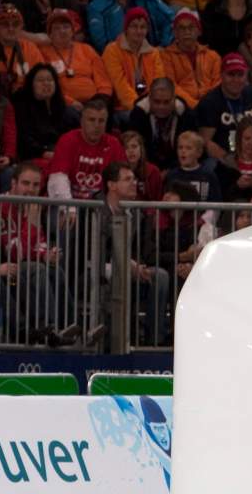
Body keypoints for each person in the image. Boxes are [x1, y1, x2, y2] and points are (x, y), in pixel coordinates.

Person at [0, 162, 80, 346]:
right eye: (25, 183)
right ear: (13, 184)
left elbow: (39, 245)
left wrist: (48, 255)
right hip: (6, 271)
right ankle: (46, 328)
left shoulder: (34, 206)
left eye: (36, 185)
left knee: (56, 271)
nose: (30, 190)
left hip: (23, 268)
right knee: (36, 269)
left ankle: (70, 329)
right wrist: (30, 223)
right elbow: (14, 252)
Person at [101, 159, 170, 346]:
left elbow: (146, 249)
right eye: (127, 179)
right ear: (112, 185)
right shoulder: (96, 211)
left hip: (131, 267)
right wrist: (127, 264)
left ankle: (153, 341)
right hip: (101, 267)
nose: (134, 183)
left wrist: (138, 266)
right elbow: (96, 249)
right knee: (120, 275)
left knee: (161, 276)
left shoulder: (138, 214)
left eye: (134, 179)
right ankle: (118, 342)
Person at [46, 96, 127, 200]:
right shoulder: (67, 140)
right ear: (82, 121)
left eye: (101, 121)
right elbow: (58, 179)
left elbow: (122, 181)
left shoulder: (113, 144)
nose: (96, 125)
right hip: (69, 203)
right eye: (91, 120)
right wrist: (70, 211)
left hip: (101, 207)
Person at [197, 52, 252, 162]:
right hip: (224, 159)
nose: (236, 80)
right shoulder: (209, 103)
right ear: (221, 75)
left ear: (246, 75)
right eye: (231, 74)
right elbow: (205, 142)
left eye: (240, 75)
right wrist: (230, 163)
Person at [40, 8, 113, 111]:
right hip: (63, 105)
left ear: (72, 31)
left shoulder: (87, 49)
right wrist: (70, 102)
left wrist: (100, 101)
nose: (62, 31)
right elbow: (46, 87)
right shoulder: (43, 53)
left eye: (66, 27)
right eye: (57, 28)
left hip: (94, 103)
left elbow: (103, 82)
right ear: (49, 34)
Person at [0, 5, 46, 95]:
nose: (11, 29)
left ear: (21, 27)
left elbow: (41, 77)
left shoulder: (30, 48)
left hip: (23, 97)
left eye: (15, 24)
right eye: (5, 24)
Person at [103, 7, 167, 113]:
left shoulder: (154, 53)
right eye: (134, 26)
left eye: (143, 27)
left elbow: (158, 84)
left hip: (152, 107)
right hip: (122, 108)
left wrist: (154, 106)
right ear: (126, 28)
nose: (138, 31)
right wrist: (142, 109)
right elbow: (121, 88)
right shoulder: (112, 50)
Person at [127, 76, 198, 170]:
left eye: (167, 102)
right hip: (146, 167)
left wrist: (169, 171)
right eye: (157, 102)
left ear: (174, 98)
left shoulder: (185, 115)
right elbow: (138, 149)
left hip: (177, 167)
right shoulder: (138, 114)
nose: (161, 107)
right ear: (149, 99)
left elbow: (189, 149)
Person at [161, 9, 221, 108]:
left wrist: (209, 104)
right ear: (175, 33)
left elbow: (217, 84)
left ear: (199, 31)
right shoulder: (166, 56)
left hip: (211, 105)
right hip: (183, 106)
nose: (187, 32)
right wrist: (195, 105)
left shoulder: (213, 56)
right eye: (181, 28)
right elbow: (171, 86)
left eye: (191, 27)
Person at [12, 63, 67, 161]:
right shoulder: (22, 104)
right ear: (31, 84)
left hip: (59, 153)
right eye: (40, 80)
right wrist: (43, 152)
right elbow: (23, 139)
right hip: (33, 156)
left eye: (50, 80)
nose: (46, 83)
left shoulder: (62, 107)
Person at [121, 130, 164, 201]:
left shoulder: (153, 171)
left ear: (141, 149)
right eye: (126, 148)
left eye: (134, 146)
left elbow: (158, 201)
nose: (131, 151)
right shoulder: (116, 172)